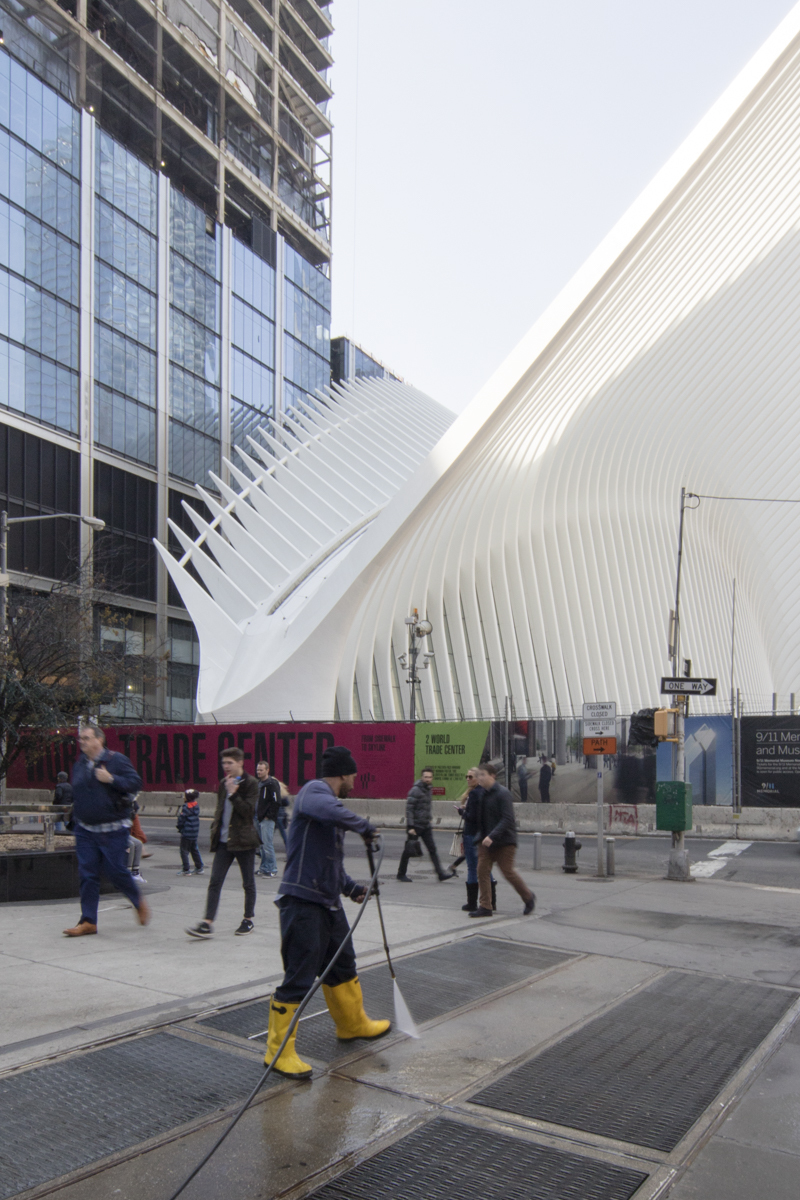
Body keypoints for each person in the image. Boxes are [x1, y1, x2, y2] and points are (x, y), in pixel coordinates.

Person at [265, 745, 390, 1079]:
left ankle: (352, 1024)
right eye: (352, 776)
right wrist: (364, 826)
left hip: (328, 904)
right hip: (302, 904)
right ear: (343, 774)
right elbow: (318, 804)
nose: (353, 782)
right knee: (299, 978)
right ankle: (278, 1053)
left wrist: (352, 888)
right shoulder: (314, 793)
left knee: (343, 966)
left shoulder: (330, 812)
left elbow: (332, 865)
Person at [63, 724, 149, 937]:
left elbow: (135, 783)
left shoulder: (116, 760)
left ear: (98, 740)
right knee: (87, 873)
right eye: (80, 738)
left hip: (113, 829)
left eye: (86, 738)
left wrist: (111, 779)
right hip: (85, 829)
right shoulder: (80, 764)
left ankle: (138, 901)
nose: (81, 741)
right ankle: (88, 921)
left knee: (114, 871)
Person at [186, 748, 259, 938]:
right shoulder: (222, 783)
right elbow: (221, 810)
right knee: (215, 881)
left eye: (230, 763)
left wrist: (234, 793)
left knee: (248, 882)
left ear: (240, 763)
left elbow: (248, 812)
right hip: (224, 841)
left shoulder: (251, 784)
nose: (226, 767)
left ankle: (248, 919)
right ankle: (207, 922)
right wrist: (215, 831)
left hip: (244, 841)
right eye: (224, 763)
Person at [470, 761, 535, 919]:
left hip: (504, 841)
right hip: (485, 843)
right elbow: (481, 819)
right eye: (478, 775)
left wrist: (492, 836)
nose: (479, 778)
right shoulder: (482, 794)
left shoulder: (502, 793)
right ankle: (485, 906)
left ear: (492, 776)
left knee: (508, 872)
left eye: (483, 775)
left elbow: (507, 819)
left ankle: (528, 897)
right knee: (482, 871)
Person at [396, 768, 455, 882]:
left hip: (426, 825)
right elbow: (409, 810)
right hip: (416, 826)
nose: (428, 779)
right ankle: (401, 873)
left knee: (432, 849)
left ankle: (440, 874)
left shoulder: (428, 789)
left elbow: (426, 806)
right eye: (426, 777)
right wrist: (411, 827)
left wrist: (429, 818)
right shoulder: (415, 790)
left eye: (430, 777)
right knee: (408, 850)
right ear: (422, 777)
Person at [452, 767, 495, 913]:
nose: (468, 779)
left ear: (477, 778)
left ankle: (472, 903)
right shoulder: (484, 792)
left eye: (471, 777)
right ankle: (491, 901)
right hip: (482, 834)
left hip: (472, 834)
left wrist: (462, 811)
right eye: (467, 776)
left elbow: (472, 817)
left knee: (473, 867)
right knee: (485, 867)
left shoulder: (475, 794)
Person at [255, 760, 282, 877]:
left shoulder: (272, 784)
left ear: (267, 770)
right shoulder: (258, 784)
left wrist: (268, 816)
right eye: (257, 770)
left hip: (267, 819)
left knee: (267, 844)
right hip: (257, 817)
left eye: (261, 770)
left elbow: (276, 802)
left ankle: (272, 869)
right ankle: (264, 867)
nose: (259, 772)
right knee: (261, 845)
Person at [176, 788, 204, 876]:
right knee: (194, 849)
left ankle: (186, 869)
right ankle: (199, 867)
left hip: (186, 833)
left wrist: (180, 828)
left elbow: (181, 819)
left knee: (184, 851)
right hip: (194, 833)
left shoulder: (185, 807)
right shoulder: (196, 805)